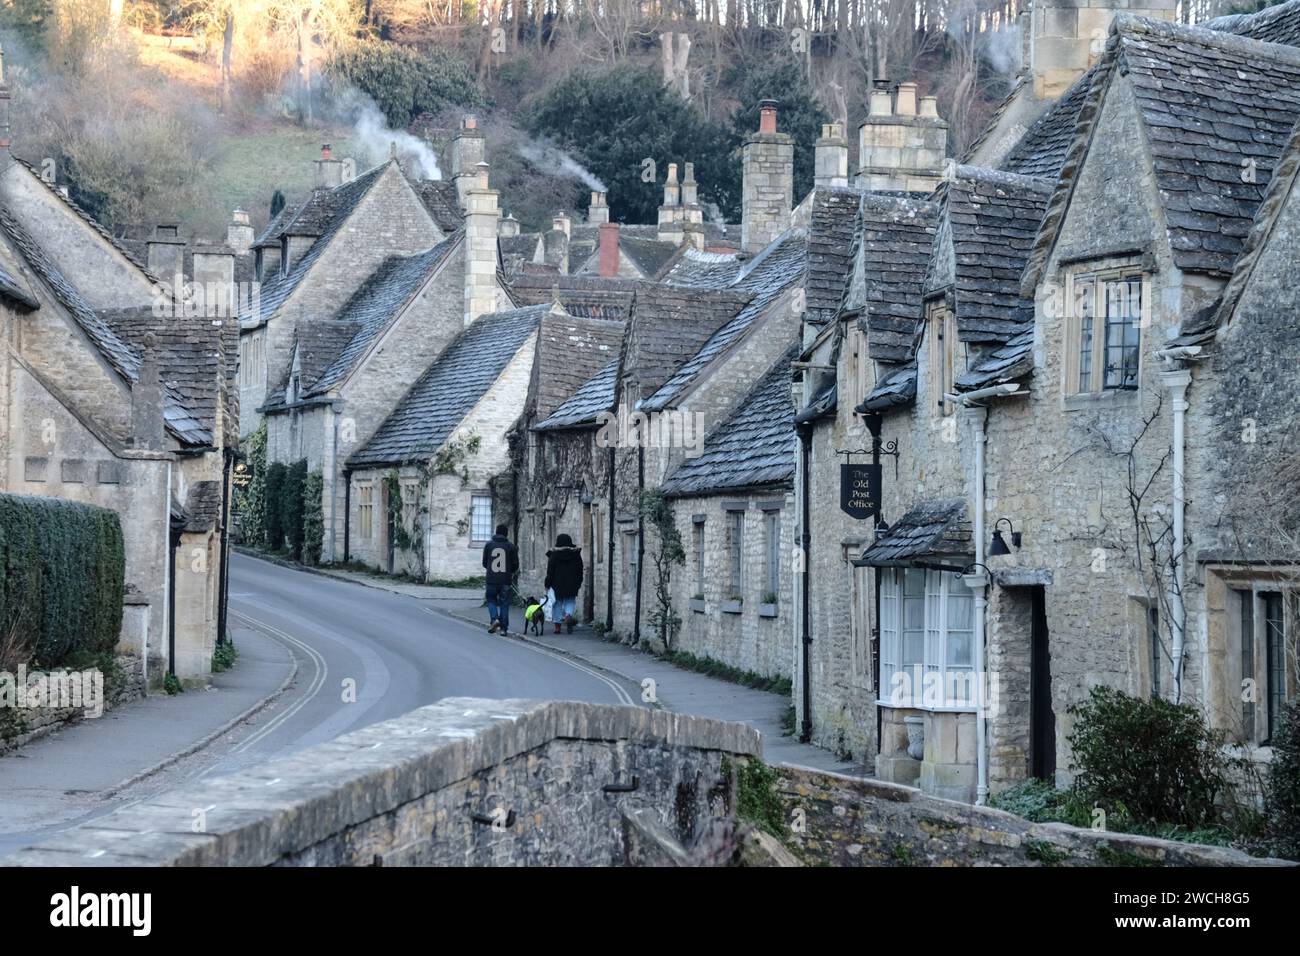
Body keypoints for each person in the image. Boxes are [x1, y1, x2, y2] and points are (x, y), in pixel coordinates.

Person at [544, 533, 584, 634]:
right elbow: (580, 570)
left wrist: (547, 584)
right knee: (570, 601)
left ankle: (557, 627)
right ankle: (568, 615)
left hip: (557, 584)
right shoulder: (576, 555)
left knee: (557, 603)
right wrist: (579, 582)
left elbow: (550, 572)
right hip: (572, 583)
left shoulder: (554, 555)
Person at [482, 524, 518, 635]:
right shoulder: (511, 546)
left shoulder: (489, 545)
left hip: (491, 579)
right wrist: (509, 572)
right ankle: (503, 629)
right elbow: (515, 565)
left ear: (496, 532)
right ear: (506, 534)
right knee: (504, 604)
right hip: (505, 580)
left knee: (491, 600)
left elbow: (484, 563)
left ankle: (494, 619)